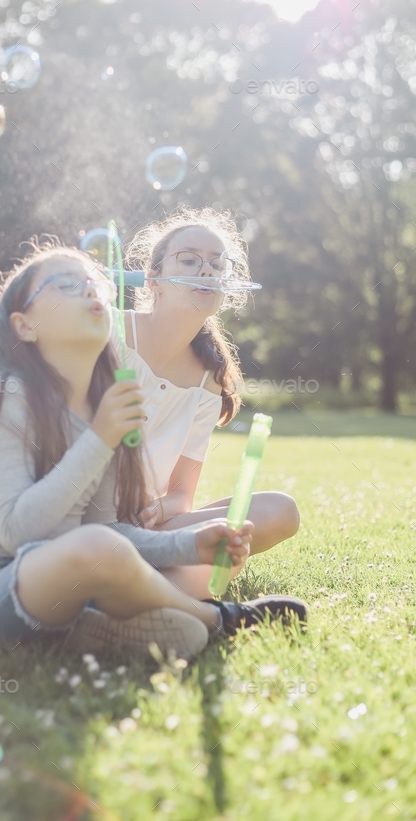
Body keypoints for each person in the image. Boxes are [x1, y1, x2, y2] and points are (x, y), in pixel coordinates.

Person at [0, 238, 307, 660]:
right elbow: (21, 534)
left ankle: (91, 626)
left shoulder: (104, 401)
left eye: (92, 282)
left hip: (71, 575)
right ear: (24, 326)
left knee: (105, 547)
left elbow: (110, 531)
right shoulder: (9, 394)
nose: (90, 290)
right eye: (65, 286)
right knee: (94, 549)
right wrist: (100, 438)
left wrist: (191, 545)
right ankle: (219, 619)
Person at [110, 205, 301, 600]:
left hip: (145, 526)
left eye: (217, 264)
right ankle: (163, 590)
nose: (206, 270)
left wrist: (157, 512)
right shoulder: (110, 332)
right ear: (154, 280)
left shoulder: (209, 381)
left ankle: (147, 572)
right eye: (189, 260)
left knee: (281, 511)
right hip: (81, 515)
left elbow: (181, 496)